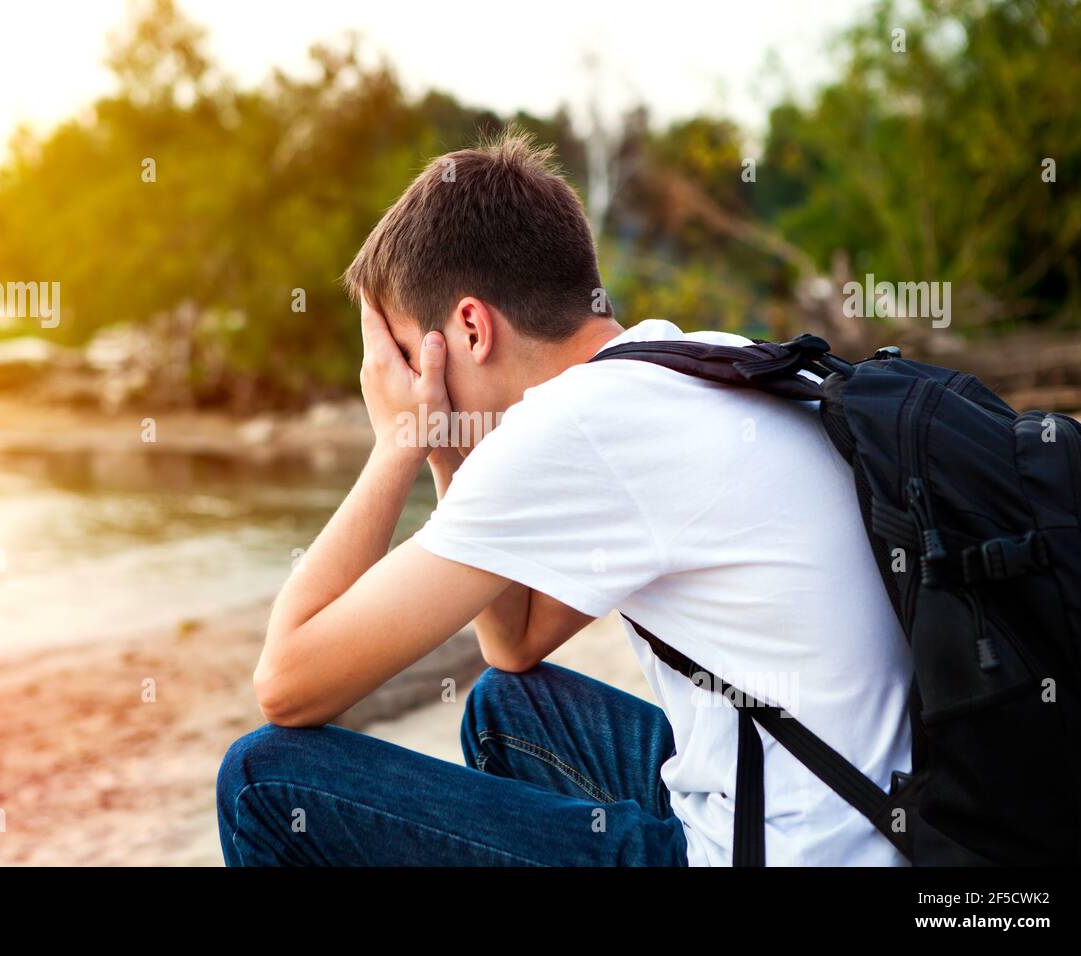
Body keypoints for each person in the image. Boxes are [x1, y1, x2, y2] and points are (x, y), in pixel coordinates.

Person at [216, 131, 912, 866]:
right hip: (881, 814)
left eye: (400, 354)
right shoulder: (695, 358)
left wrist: (398, 442)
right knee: (505, 706)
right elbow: (513, 645)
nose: (396, 379)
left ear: (471, 328)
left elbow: (286, 686)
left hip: (793, 853)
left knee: (261, 782)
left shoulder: (574, 426)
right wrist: (451, 450)